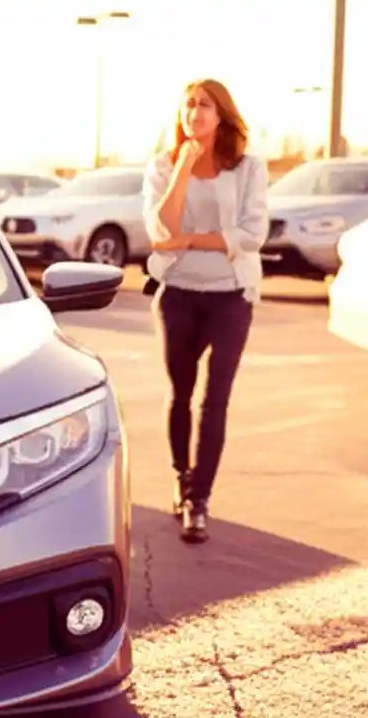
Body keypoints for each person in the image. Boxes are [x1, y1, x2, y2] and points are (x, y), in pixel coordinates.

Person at [141, 78, 269, 544]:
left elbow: (252, 233)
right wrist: (182, 170)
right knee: (180, 393)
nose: (195, 112)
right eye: (188, 105)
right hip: (177, 292)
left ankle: (199, 500)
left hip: (231, 295)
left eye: (205, 105)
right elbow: (160, 230)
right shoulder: (162, 166)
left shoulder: (249, 167)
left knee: (214, 401)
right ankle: (180, 478)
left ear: (221, 116)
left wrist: (193, 240)